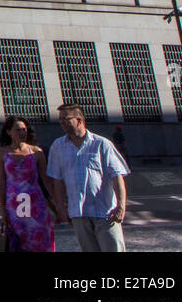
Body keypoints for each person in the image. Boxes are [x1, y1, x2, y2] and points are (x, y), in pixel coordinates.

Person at [46, 104, 129, 252]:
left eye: (65, 119)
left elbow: (117, 176)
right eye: (60, 120)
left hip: (105, 212)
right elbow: (57, 181)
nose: (62, 123)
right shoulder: (57, 147)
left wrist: (121, 206)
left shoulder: (101, 144)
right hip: (78, 212)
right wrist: (61, 207)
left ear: (79, 120)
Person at [0, 115, 58, 251]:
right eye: (18, 130)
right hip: (14, 205)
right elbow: (1, 182)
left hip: (35, 203)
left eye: (24, 129)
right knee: (18, 242)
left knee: (39, 239)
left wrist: (59, 205)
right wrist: (3, 209)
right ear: (8, 131)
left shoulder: (36, 152)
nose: (22, 133)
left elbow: (46, 180)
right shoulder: (1, 153)